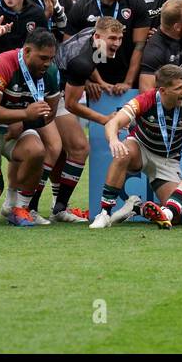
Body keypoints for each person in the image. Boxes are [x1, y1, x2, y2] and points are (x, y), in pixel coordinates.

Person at [0, 29, 62, 227]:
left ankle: (20, 209)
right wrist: (24, 114)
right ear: (27, 51)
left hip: (19, 127)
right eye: (43, 58)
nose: (47, 63)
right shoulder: (0, 65)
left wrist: (23, 123)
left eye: (51, 58)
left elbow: (49, 114)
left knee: (37, 151)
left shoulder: (51, 72)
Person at [91, 64, 182, 229]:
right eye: (179, 88)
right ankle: (104, 213)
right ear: (163, 90)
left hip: (167, 160)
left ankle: (136, 207)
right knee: (122, 153)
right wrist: (114, 140)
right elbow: (113, 123)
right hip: (140, 148)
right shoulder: (145, 100)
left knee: (175, 216)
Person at [50, 17, 126, 222]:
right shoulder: (80, 61)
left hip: (54, 89)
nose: (117, 43)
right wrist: (105, 120)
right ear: (98, 36)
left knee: (59, 152)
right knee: (78, 147)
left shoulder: (91, 36)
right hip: (50, 95)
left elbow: (91, 63)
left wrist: (100, 82)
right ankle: (42, 207)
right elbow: (72, 104)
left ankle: (54, 206)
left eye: (119, 38)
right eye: (112, 38)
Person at [67, 0, 150, 88]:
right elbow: (70, 49)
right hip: (95, 86)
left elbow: (139, 46)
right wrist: (87, 80)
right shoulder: (81, 7)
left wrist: (128, 82)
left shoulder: (136, 3)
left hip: (127, 81)